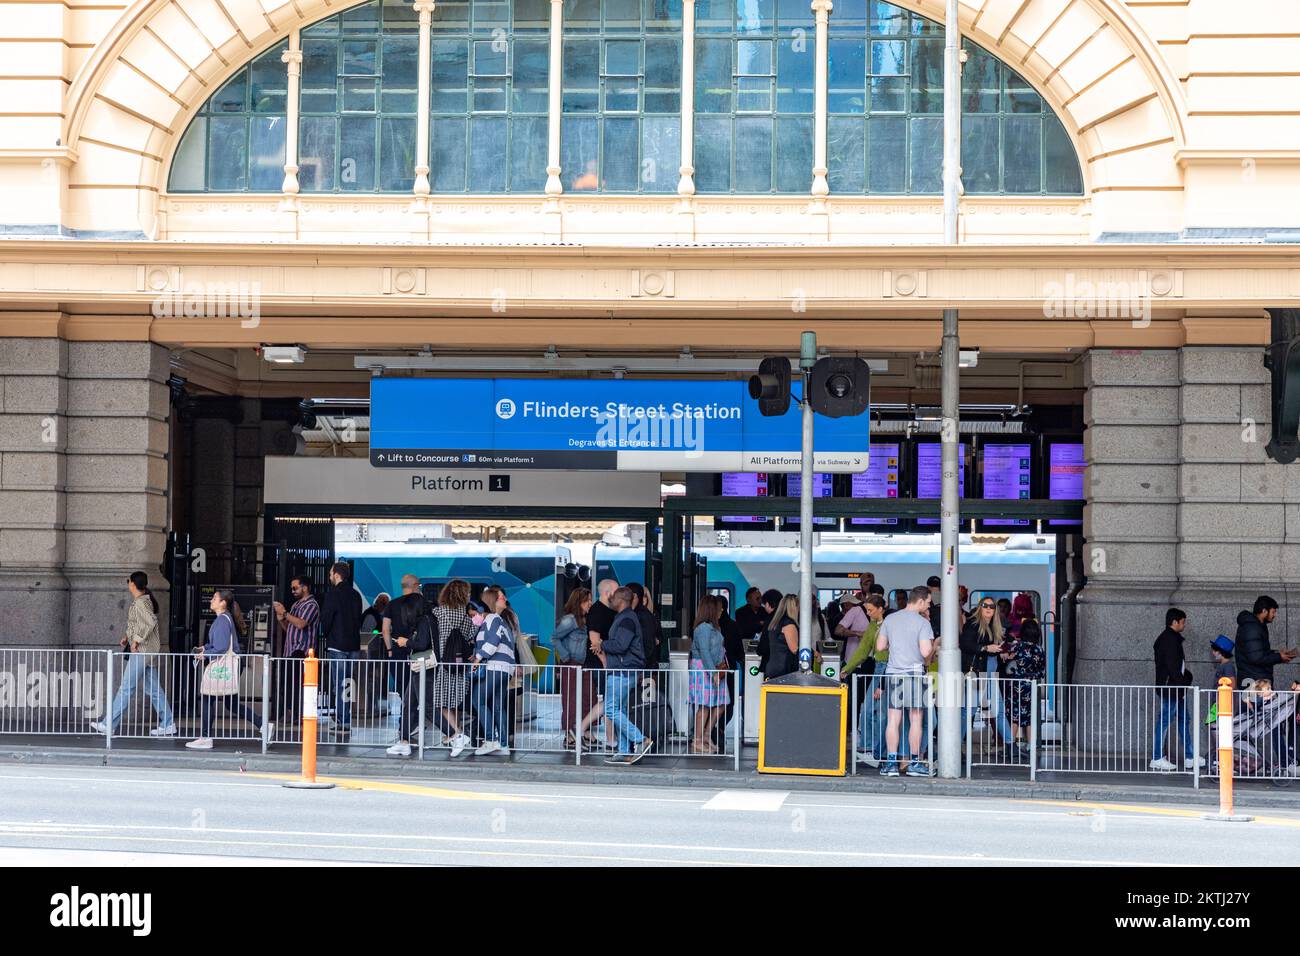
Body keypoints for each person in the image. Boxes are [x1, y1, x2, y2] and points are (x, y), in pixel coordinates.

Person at [91, 572, 176, 737]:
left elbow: (150, 622)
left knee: (126, 688)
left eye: (128, 581)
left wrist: (135, 640)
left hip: (142, 651)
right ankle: (168, 723)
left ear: (132, 584)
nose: (127, 584)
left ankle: (108, 724)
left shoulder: (140, 604)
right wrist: (128, 638)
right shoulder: (143, 601)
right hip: (147, 651)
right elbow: (143, 623)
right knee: (154, 689)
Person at [186, 589, 270, 749]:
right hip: (231, 664)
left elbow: (221, 648)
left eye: (214, 598)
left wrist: (205, 654)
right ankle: (262, 724)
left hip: (223, 664)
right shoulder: (225, 619)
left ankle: (205, 737)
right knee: (231, 704)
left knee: (207, 698)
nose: (211, 600)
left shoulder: (222, 620)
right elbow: (219, 645)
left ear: (223, 603)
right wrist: (204, 648)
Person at [877, 585, 935, 777]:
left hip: (893, 673)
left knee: (893, 720)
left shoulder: (890, 618)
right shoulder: (923, 623)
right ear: (920, 601)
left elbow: (880, 646)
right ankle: (915, 763)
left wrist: (898, 647)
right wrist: (935, 645)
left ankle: (891, 763)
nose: (928, 606)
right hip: (915, 674)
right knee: (916, 719)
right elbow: (926, 652)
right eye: (927, 602)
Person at [601, 587, 652, 764]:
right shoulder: (627, 618)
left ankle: (640, 739)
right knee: (619, 710)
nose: (610, 599)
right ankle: (624, 751)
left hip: (621, 671)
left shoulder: (627, 619)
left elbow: (621, 645)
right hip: (625, 670)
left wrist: (602, 644)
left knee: (610, 710)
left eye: (613, 596)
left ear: (621, 599)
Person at [1150, 607, 1202, 771]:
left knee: (1182, 720)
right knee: (1166, 720)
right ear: (1175, 622)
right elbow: (1174, 668)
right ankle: (1157, 757)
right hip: (1172, 688)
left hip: (1174, 688)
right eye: (1183, 622)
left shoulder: (1168, 639)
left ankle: (1189, 756)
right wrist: (1186, 679)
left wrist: (1184, 679)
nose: (1184, 625)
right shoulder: (1170, 640)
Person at [470, 585, 517, 756]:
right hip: (505, 669)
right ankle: (503, 744)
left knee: (478, 700)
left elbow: (492, 641)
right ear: (493, 600)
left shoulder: (492, 619)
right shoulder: (503, 622)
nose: (504, 598)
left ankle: (490, 740)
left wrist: (478, 658)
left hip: (494, 667)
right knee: (498, 706)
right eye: (501, 597)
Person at [960, 595, 1011, 748]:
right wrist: (985, 648)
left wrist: (1002, 650)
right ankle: (955, 745)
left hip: (990, 670)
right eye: (985, 605)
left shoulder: (995, 626)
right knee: (969, 709)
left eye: (992, 606)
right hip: (978, 671)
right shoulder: (973, 624)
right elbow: (965, 644)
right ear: (980, 607)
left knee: (999, 709)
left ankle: (1010, 744)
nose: (989, 608)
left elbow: (1000, 642)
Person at [841, 593, 886, 764]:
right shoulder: (873, 625)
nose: (868, 614)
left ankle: (875, 750)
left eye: (871, 610)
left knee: (880, 712)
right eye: (867, 610)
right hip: (878, 667)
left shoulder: (887, 625)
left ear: (881, 609)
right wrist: (848, 668)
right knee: (869, 710)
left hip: (886, 668)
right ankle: (870, 749)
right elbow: (863, 649)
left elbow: (867, 649)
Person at [320, 561, 362, 738]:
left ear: (337, 575)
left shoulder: (332, 595)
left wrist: (325, 633)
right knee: (348, 685)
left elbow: (326, 619)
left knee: (339, 684)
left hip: (337, 644)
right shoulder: (355, 595)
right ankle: (346, 720)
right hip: (354, 644)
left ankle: (343, 722)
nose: (330, 576)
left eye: (331, 573)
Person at [273, 577, 318, 725]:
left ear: (305, 588)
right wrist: (281, 618)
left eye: (295, 588)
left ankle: (298, 714)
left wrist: (285, 613)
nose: (293, 591)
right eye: (292, 588)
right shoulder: (296, 604)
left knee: (297, 685)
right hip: (290, 650)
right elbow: (290, 628)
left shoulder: (311, 605)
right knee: (288, 685)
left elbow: (300, 624)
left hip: (301, 650)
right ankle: (291, 713)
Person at [552, 587, 593, 749]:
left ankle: (578, 732)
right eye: (586, 600)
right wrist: (566, 656)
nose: (590, 603)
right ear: (579, 602)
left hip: (581, 664)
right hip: (572, 664)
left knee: (584, 698)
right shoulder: (570, 620)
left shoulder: (583, 620)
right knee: (571, 699)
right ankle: (570, 734)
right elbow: (554, 638)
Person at [1000, 615, 1047, 759]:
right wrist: (1031, 675)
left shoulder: (1017, 647)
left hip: (1015, 685)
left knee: (1014, 716)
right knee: (1030, 715)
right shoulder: (1039, 649)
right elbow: (1042, 671)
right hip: (1031, 685)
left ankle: (1010, 745)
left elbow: (1007, 666)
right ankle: (1031, 746)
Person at [579, 578, 617, 749]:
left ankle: (609, 737)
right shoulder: (597, 611)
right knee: (610, 700)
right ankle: (607, 737)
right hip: (599, 663)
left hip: (604, 663)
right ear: (607, 592)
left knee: (611, 700)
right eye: (615, 591)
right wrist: (605, 661)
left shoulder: (607, 610)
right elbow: (595, 641)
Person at [382, 574, 425, 728]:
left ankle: (406, 723)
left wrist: (389, 651)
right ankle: (411, 721)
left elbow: (385, 630)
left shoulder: (391, 605)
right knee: (416, 688)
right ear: (414, 585)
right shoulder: (422, 603)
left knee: (402, 688)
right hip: (418, 651)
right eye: (419, 585)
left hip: (397, 652)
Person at [689, 594, 729, 754]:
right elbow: (704, 651)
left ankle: (705, 735)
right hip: (705, 668)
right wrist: (713, 672)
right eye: (719, 608)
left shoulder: (712, 627)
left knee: (720, 703)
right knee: (705, 705)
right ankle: (698, 740)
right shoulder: (703, 628)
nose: (721, 611)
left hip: (713, 668)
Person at [1236, 595, 1296, 685]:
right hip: (1254, 682)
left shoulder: (1257, 626)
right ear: (1264, 611)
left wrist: (1278, 654)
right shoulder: (1252, 628)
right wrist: (1279, 657)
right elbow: (1256, 657)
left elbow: (1258, 652)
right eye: (1273, 612)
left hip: (1256, 680)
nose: (1274, 615)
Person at [360, 592, 390, 718]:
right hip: (370, 653)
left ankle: (374, 704)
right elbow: (367, 635)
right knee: (371, 679)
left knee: (375, 679)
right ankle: (369, 705)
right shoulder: (371, 616)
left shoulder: (375, 614)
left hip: (376, 653)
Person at [764, 594, 800, 681]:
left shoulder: (775, 623)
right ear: (794, 607)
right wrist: (813, 652)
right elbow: (794, 649)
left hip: (772, 668)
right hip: (784, 670)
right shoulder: (789, 624)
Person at [756, 588, 782, 675]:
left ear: (768, 604)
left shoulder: (770, 620)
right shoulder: (785, 619)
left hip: (770, 664)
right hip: (784, 664)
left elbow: (764, 644)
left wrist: (758, 650)